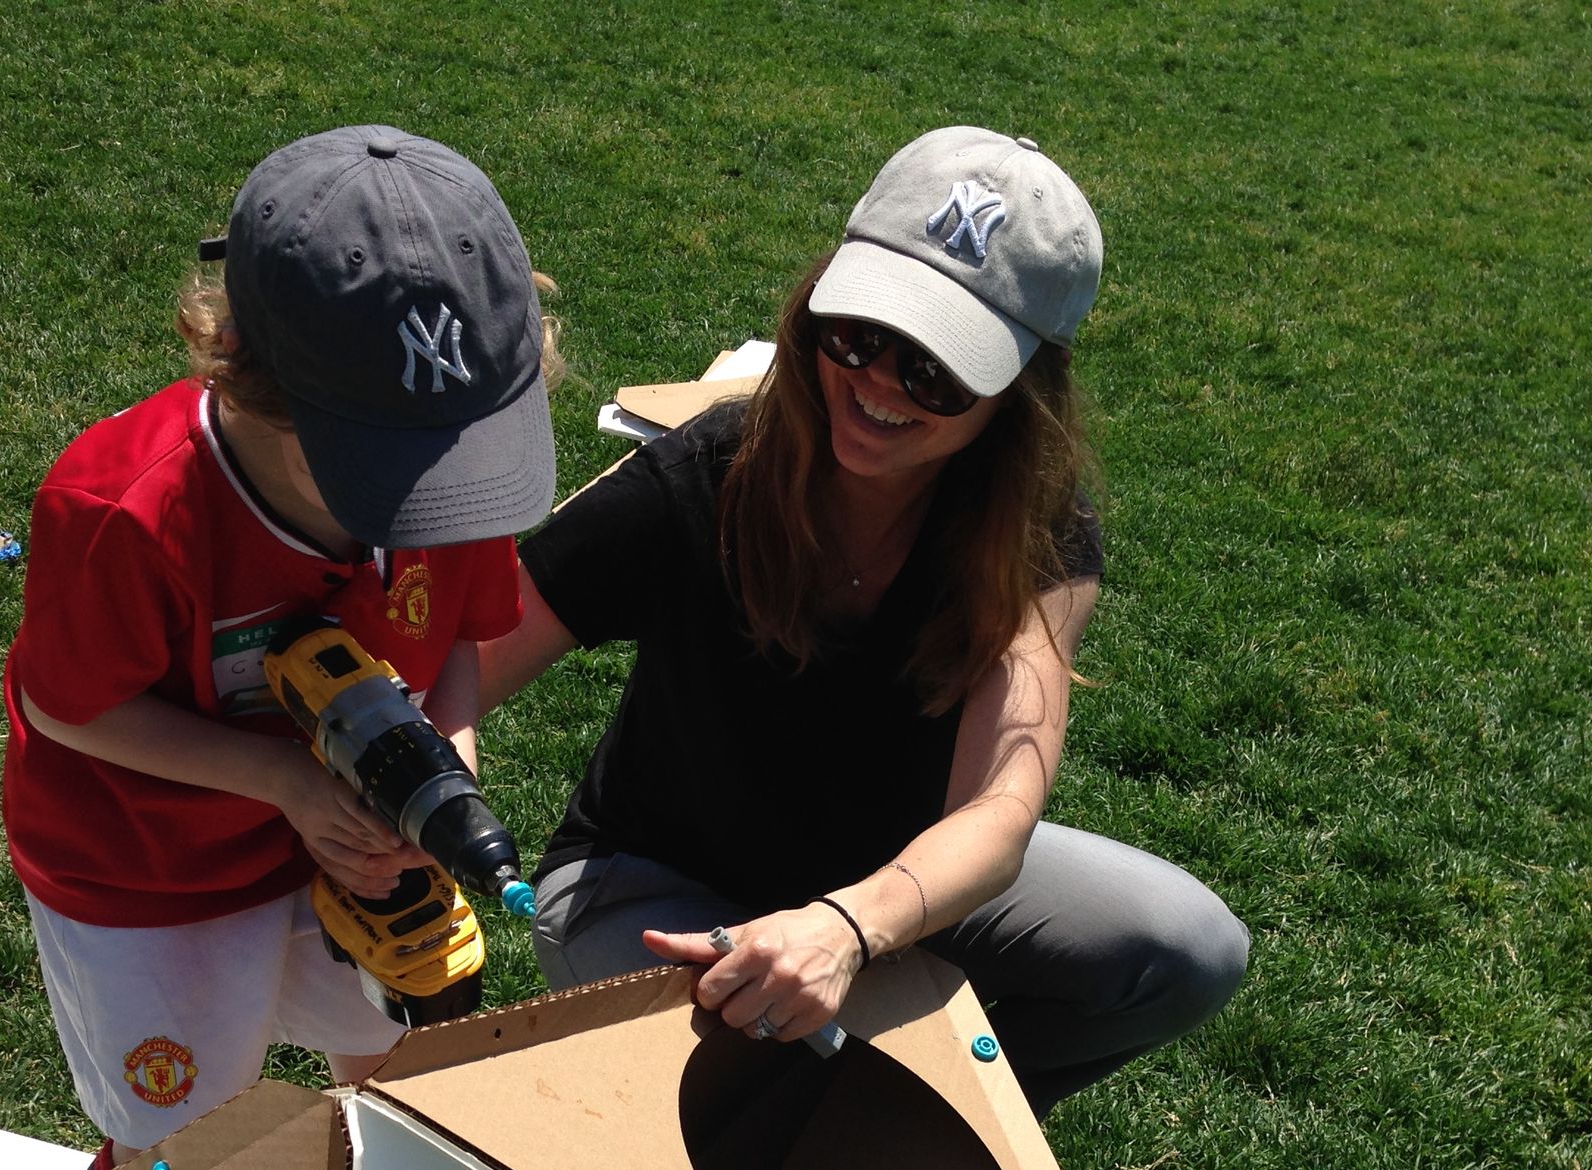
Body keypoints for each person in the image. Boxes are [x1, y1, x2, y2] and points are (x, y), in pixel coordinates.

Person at [479, 127, 1246, 1117]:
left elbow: (1000, 813)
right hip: (652, 886)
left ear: (1020, 392)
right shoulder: (703, 477)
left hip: (878, 884)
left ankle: (909, 1120)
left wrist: (847, 928)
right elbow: (465, 661)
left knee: (1186, 949)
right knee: (771, 1089)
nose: (881, 382)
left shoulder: (1033, 537)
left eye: (938, 369)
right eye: (861, 332)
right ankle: (857, 1119)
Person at [1, 126, 558, 1170]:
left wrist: (438, 775)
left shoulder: (452, 479)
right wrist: (280, 780)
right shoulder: (125, 509)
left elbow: (456, 655)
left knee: (399, 1077)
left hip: (343, 850)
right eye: (382, 466)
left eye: (447, 463)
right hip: (150, 874)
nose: (424, 500)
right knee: (185, 1142)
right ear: (246, 373)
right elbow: (63, 706)